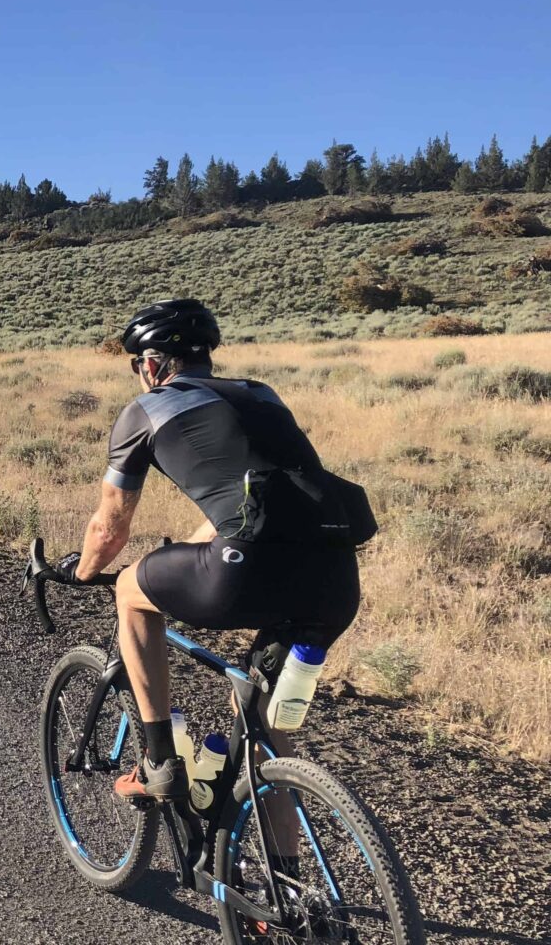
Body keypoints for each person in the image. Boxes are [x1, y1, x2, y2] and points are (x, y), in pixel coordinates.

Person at [53, 299, 364, 802]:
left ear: (150, 364)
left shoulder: (144, 410)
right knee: (263, 730)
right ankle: (273, 848)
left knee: (130, 590)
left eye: (137, 365)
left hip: (244, 573)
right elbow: (260, 497)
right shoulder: (261, 394)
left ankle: (159, 763)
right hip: (336, 578)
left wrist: (82, 572)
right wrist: (197, 545)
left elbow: (109, 529)